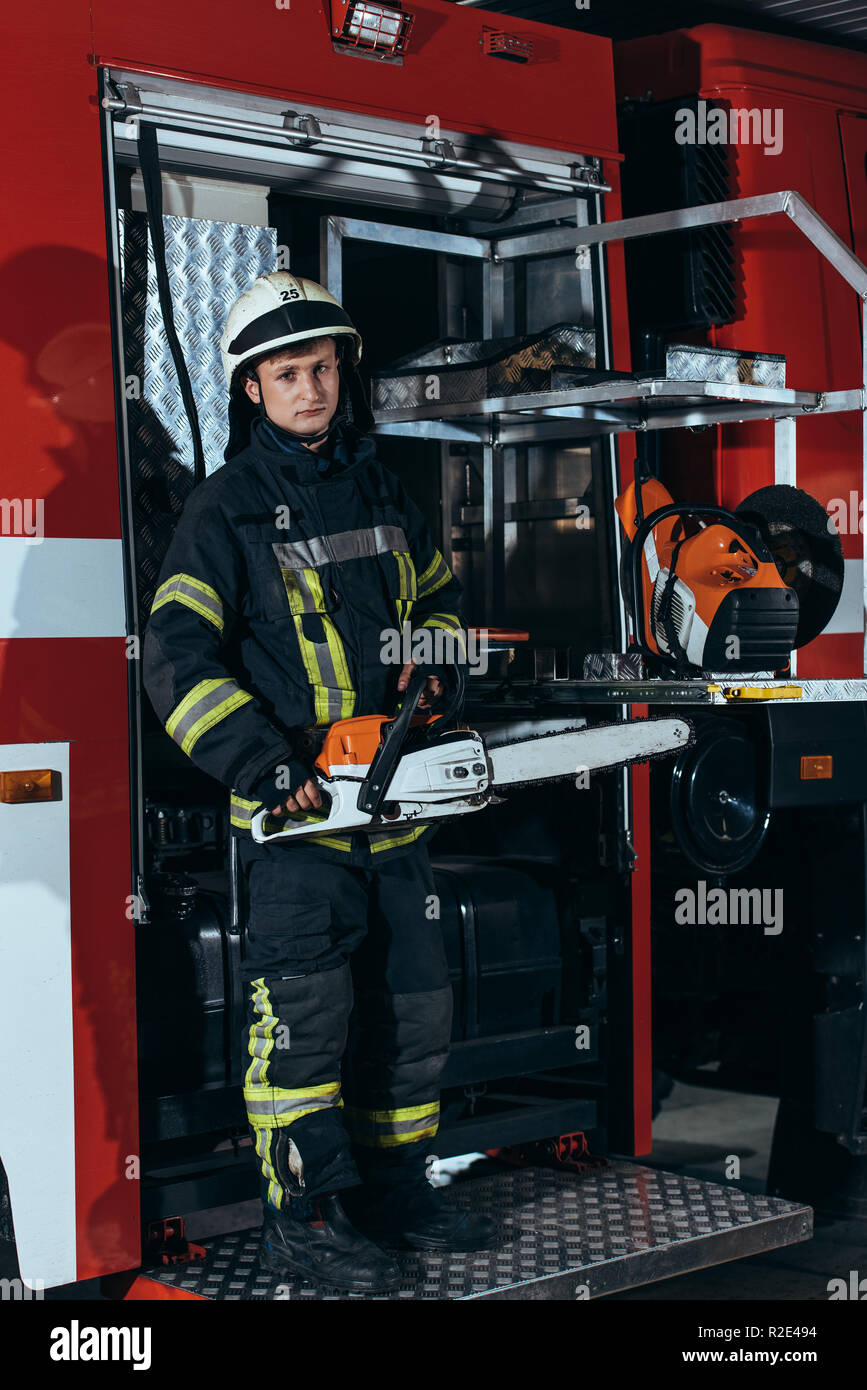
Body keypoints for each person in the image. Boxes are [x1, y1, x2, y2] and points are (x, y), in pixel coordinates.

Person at [142, 271, 497, 1293]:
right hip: (296, 823)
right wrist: (263, 761)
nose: (311, 389)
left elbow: (438, 601)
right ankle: (309, 1216)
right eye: (288, 373)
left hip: (395, 814)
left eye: (324, 367)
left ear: (345, 370)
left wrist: (438, 662)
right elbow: (176, 655)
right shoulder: (223, 511)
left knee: (416, 1010)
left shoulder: (384, 491)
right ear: (251, 388)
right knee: (303, 1028)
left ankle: (401, 1191)